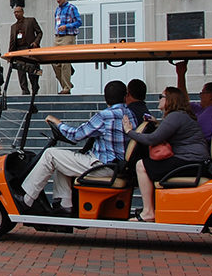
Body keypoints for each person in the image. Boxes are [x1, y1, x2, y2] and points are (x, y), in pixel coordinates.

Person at [18, 80, 135, 216]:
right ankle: (64, 205)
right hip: (116, 165)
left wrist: (58, 123)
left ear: (106, 98)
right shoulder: (129, 114)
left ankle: (26, 200)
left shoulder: (105, 116)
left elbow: (76, 135)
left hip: (103, 166)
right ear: (125, 96)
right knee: (63, 161)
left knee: (50, 154)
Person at [123, 87, 209, 222]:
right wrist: (157, 124)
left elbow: (152, 139)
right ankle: (151, 208)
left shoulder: (175, 116)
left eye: (161, 96)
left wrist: (129, 131)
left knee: (141, 165)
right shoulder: (180, 115)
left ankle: (148, 211)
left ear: (169, 100)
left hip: (189, 161)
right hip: (193, 160)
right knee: (149, 165)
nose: (159, 99)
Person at [175, 60, 212, 141]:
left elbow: (195, 134)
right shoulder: (205, 109)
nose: (200, 96)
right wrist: (181, 75)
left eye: (202, 93)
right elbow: (184, 103)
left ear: (210, 96)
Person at [51, 0, 81, 94]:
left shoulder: (71, 8)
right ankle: (66, 82)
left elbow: (79, 22)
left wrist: (67, 26)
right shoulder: (57, 10)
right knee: (54, 62)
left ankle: (66, 87)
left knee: (65, 62)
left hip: (68, 36)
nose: (58, 0)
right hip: (58, 37)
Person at [7, 5, 43, 95]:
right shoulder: (13, 27)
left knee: (33, 71)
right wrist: (10, 55)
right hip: (19, 51)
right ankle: (24, 90)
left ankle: (35, 87)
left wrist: (36, 42)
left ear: (22, 12)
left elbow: (39, 32)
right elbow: (12, 41)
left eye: (18, 12)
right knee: (21, 72)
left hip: (30, 49)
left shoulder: (31, 21)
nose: (16, 14)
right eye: (15, 12)